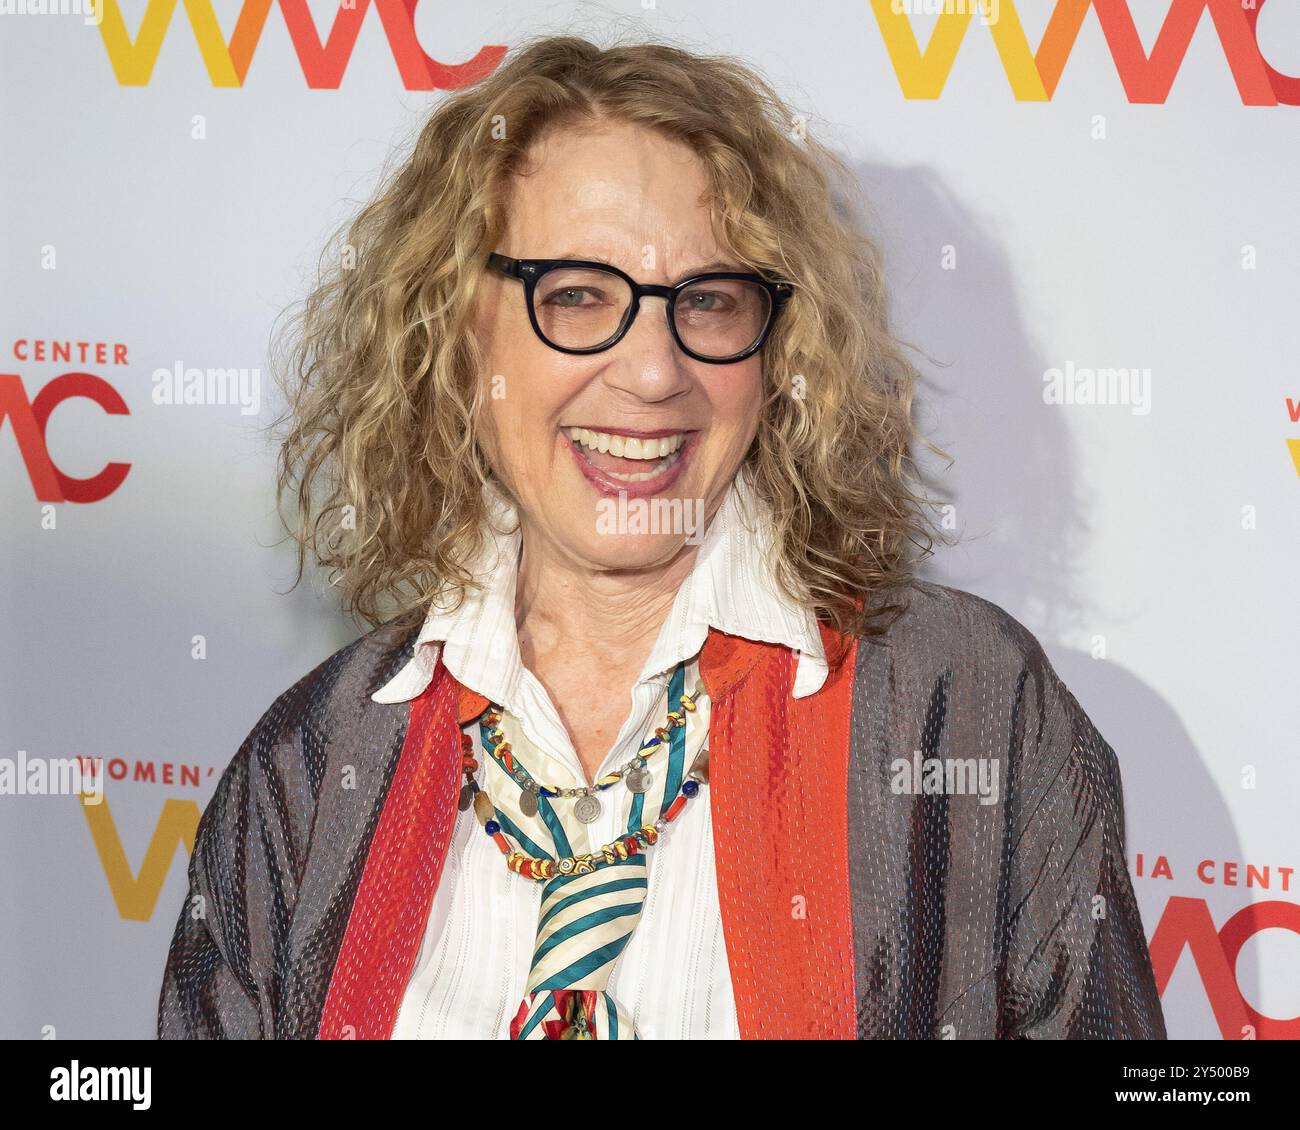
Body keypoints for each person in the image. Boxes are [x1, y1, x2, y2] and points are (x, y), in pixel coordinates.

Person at [157, 34, 1166, 1040]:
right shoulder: (310, 763)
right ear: (458, 331)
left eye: (709, 301)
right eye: (577, 296)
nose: (652, 371)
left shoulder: (966, 711)